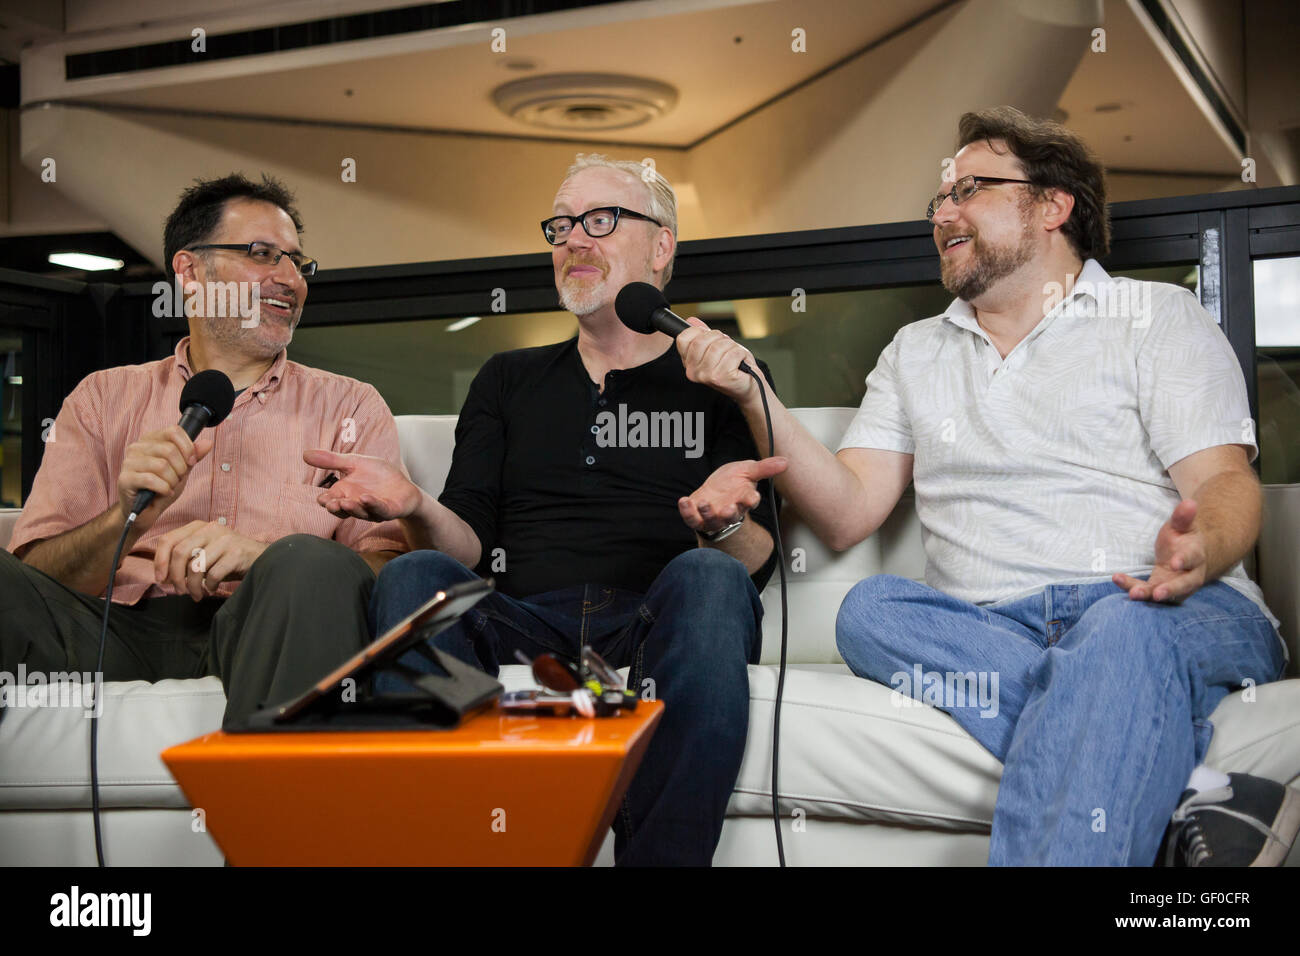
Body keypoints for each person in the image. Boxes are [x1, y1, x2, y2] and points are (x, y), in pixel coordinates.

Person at [673, 107, 1298, 866]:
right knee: (870, 610)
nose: (943, 213)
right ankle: (1190, 784)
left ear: (1052, 205)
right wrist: (749, 392)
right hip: (990, 628)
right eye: (937, 200)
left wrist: (1200, 547)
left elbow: (1227, 480)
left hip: (1161, 607)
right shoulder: (914, 351)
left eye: (969, 188)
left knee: (1115, 636)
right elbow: (846, 512)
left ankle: (1137, 754)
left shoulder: (1156, 317)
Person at [306, 154, 780, 865]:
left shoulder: (722, 377)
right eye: (561, 226)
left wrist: (726, 528)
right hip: (523, 619)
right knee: (411, 577)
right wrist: (412, 505)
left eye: (600, 220)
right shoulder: (508, 378)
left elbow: (756, 568)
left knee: (711, 580)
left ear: (661, 246)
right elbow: (465, 547)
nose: (573, 241)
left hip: (657, 616)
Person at [1, 173, 407, 726]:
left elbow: (390, 572)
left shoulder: (350, 407)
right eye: (263, 254)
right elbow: (39, 577)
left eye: (297, 262)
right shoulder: (102, 397)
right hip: (108, 631)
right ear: (190, 272)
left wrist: (264, 557)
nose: (290, 279)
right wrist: (129, 518)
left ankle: (266, 808)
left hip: (265, 631)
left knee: (308, 560)